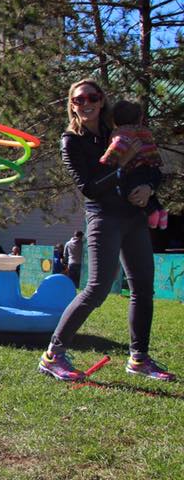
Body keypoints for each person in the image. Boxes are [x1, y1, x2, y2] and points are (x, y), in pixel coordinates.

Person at [39, 79, 174, 383]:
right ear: (71, 105)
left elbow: (153, 166)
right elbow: (89, 187)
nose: (85, 103)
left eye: (92, 97)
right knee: (97, 288)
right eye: (78, 99)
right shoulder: (71, 141)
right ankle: (53, 355)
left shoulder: (121, 131)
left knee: (142, 288)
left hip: (134, 216)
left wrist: (147, 187)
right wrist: (119, 165)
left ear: (101, 101)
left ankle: (139, 359)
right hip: (104, 218)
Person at [100, 99, 167, 230]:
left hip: (132, 169)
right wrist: (153, 161)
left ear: (114, 119)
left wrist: (107, 159)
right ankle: (161, 211)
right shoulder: (144, 131)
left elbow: (118, 146)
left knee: (129, 192)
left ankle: (152, 212)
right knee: (148, 191)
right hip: (147, 167)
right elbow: (151, 149)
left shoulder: (122, 133)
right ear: (140, 118)